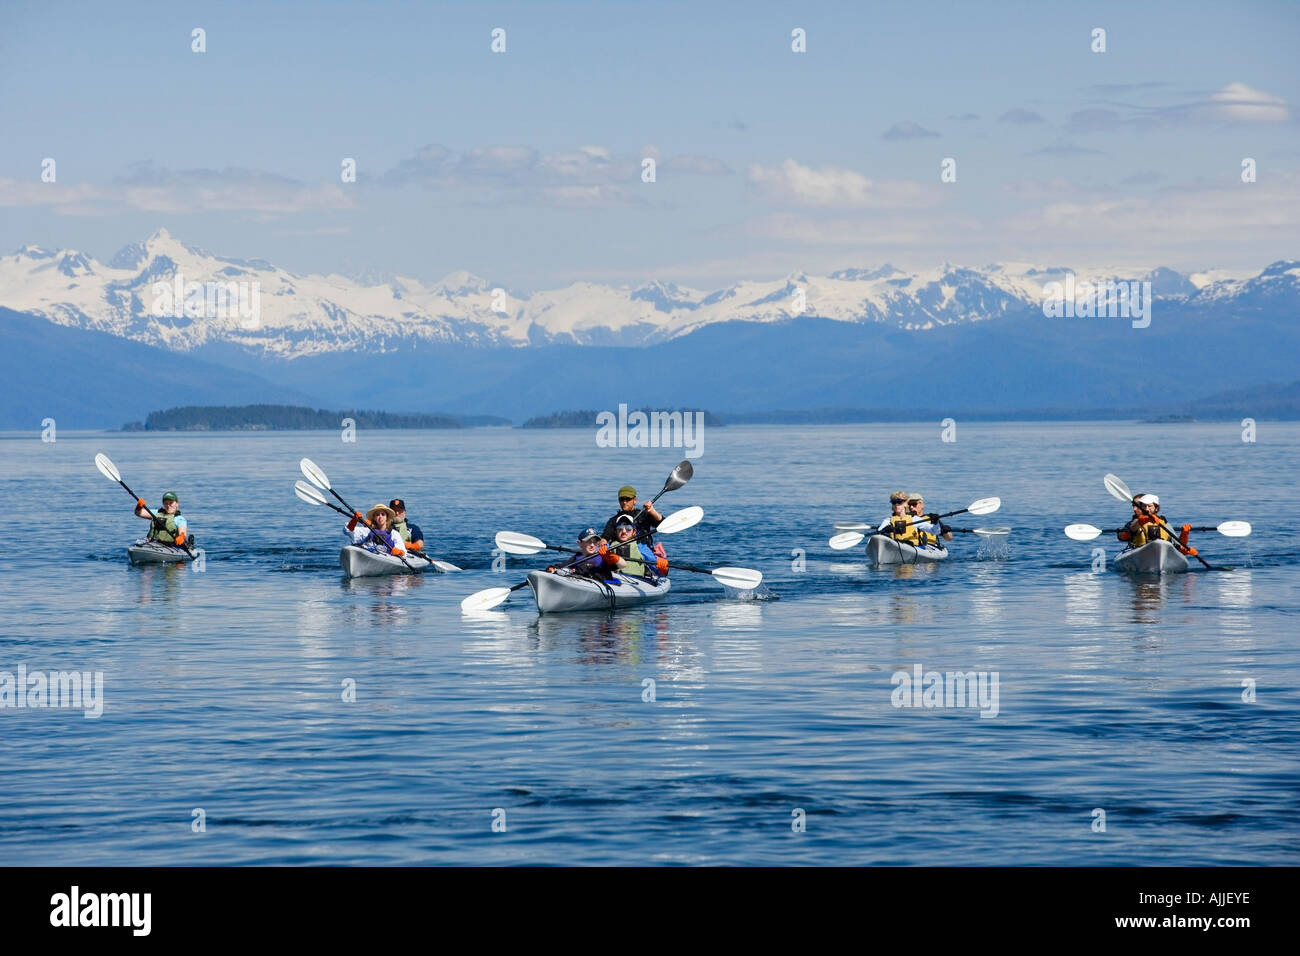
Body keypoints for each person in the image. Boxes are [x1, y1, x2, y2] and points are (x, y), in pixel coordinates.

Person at [604, 513, 669, 579]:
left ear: (634, 531)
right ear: (615, 531)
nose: (623, 531)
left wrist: (663, 569)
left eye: (628, 528)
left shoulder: (641, 548)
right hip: (614, 578)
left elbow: (659, 572)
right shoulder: (608, 547)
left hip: (636, 582)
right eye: (620, 528)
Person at [548, 528, 619, 580]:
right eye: (588, 541)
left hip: (601, 582)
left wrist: (612, 557)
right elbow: (563, 565)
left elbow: (616, 566)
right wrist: (552, 568)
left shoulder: (602, 556)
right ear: (579, 543)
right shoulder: (577, 557)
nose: (592, 545)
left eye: (595, 542)